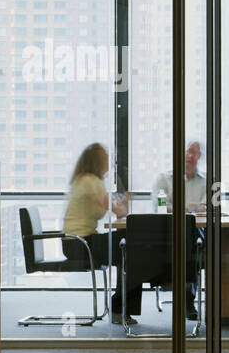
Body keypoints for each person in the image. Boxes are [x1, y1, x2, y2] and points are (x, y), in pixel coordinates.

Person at [63, 142, 141, 324]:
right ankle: (119, 308)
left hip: (77, 242)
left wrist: (122, 200)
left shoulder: (85, 180)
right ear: (97, 162)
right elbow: (121, 211)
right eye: (107, 159)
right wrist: (128, 195)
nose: (110, 163)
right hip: (79, 244)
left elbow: (116, 208)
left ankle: (120, 307)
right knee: (133, 248)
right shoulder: (91, 182)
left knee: (130, 245)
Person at [152, 139, 206, 320]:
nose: (190, 156)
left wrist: (180, 208)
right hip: (166, 234)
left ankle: (187, 298)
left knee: (193, 237)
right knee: (190, 241)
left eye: (195, 153)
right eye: (187, 151)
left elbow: (212, 208)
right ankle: (187, 300)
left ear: (200, 157)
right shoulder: (163, 178)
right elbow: (159, 206)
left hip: (195, 234)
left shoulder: (209, 181)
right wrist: (191, 207)